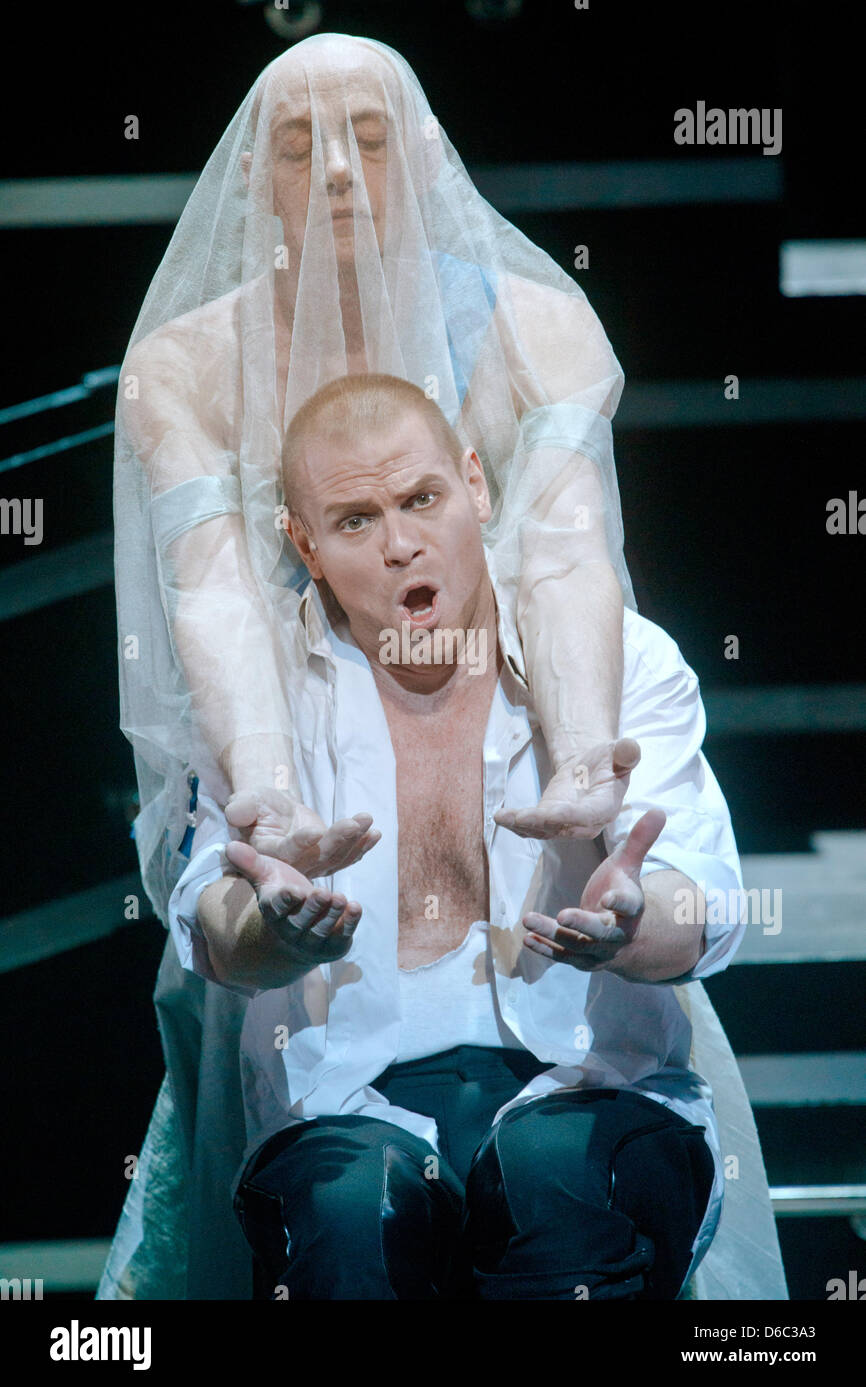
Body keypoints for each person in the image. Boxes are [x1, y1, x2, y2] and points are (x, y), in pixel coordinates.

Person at [160, 371, 742, 1299]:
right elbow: (212, 927)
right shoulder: (262, 701)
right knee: (351, 1216)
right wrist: (272, 929)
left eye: (422, 499)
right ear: (304, 545)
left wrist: (636, 930)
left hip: (590, 1084)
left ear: (475, 485)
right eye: (354, 522)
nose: (400, 544)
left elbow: (703, 904)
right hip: (352, 1105)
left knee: (560, 1183)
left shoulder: (620, 662)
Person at [114, 32, 639, 940]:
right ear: (249, 173)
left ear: (424, 152)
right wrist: (272, 789)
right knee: (278, 969)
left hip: (508, 724)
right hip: (289, 724)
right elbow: (213, 585)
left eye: (369, 136)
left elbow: (564, 554)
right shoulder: (182, 367)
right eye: (297, 147)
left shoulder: (544, 327)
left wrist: (586, 753)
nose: (337, 172)